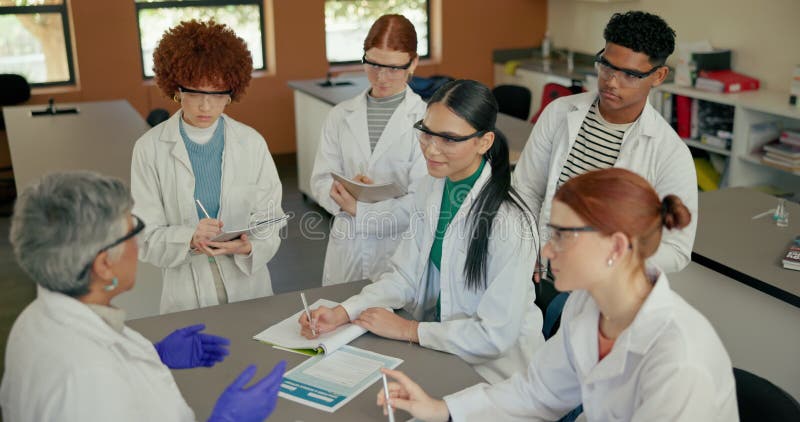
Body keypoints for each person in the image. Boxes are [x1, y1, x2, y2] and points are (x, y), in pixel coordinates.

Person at [376, 168, 738, 422]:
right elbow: (538, 394)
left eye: (562, 236)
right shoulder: (588, 303)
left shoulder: (679, 360)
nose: (546, 252)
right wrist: (441, 410)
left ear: (615, 246)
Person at [301, 80, 545, 383]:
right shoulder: (432, 187)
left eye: (448, 139)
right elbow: (404, 276)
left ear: (484, 142)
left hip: (498, 375)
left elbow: (495, 336)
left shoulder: (510, 222)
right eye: (426, 132)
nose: (430, 148)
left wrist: (408, 330)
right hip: (441, 352)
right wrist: (346, 311)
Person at [0, 171, 286, 421]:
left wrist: (152, 355)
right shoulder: (86, 380)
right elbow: (95, 387)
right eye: (132, 231)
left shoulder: (36, 319)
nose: (139, 243)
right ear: (103, 265)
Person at [513, 11, 698, 280]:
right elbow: (527, 189)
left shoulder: (670, 152)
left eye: (630, 75)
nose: (611, 82)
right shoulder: (558, 113)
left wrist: (610, 255)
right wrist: (531, 249)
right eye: (607, 66)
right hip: (539, 273)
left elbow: (677, 251)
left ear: (658, 76)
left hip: (605, 287)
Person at [131, 20, 285, 313]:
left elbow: (271, 220)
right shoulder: (149, 149)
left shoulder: (251, 143)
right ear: (176, 89)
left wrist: (249, 246)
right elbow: (145, 236)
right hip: (186, 293)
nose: (205, 106)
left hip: (249, 287)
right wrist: (189, 238)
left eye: (217, 94)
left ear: (231, 92)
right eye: (194, 93)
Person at [310, 14, 427, 286]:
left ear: (414, 63)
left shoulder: (425, 121)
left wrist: (360, 210)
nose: (382, 77)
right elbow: (320, 180)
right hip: (347, 245)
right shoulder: (340, 116)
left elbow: (423, 201)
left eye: (394, 68)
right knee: (338, 316)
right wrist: (346, 192)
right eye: (373, 64)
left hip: (399, 249)